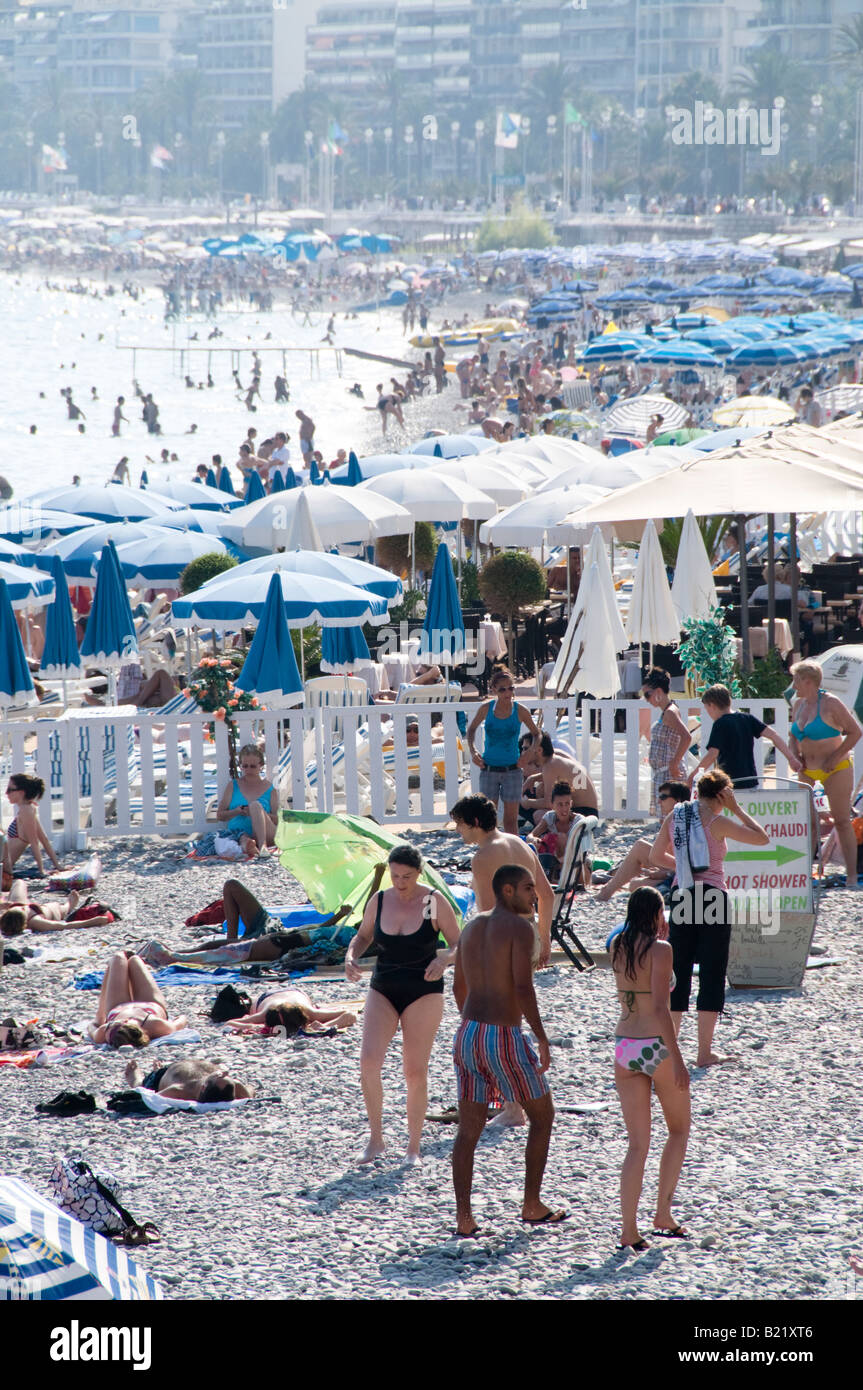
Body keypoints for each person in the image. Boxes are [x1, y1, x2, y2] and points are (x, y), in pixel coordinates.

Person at [451, 864, 566, 1236]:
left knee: (468, 1131)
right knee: (543, 1116)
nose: (535, 894)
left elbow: (458, 988)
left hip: (467, 1032)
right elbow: (522, 988)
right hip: (502, 1035)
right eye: (528, 888)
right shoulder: (518, 928)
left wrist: (476, 1024)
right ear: (507, 891)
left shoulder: (471, 927)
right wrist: (541, 1036)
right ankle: (531, 1204)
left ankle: (464, 1218)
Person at [344, 844, 460, 1165]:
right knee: (368, 1063)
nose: (400, 882)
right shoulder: (380, 900)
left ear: (419, 873)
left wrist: (445, 961)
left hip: (423, 989)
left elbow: (458, 943)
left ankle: (413, 1148)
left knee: (414, 1071)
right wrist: (351, 956)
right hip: (383, 987)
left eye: (407, 876)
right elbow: (363, 936)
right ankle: (376, 1140)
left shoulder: (431, 902)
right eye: (394, 875)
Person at [650, 768, 770, 1066]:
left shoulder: (676, 816)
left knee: (678, 972)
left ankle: (670, 1052)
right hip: (712, 896)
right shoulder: (718, 821)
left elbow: (654, 856)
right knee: (712, 973)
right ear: (721, 795)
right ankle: (704, 1052)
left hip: (683, 894)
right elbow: (762, 838)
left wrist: (682, 867)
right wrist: (737, 808)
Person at [611, 887, 690, 1250]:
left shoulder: (617, 946)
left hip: (625, 1047)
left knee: (636, 1145)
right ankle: (662, 1212)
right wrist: (678, 1057)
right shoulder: (661, 950)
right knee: (678, 1130)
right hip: (656, 1046)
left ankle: (629, 1230)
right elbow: (660, 1008)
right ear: (658, 913)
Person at [789, 659, 862, 888]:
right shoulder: (798, 704)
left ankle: (851, 876)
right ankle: (807, 874)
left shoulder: (831, 703)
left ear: (807, 681)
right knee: (808, 822)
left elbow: (855, 732)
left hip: (835, 768)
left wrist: (835, 755)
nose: (793, 685)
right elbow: (793, 735)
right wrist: (794, 755)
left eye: (796, 680)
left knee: (841, 820)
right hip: (807, 769)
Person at [467, 667, 540, 834]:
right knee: (488, 820)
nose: (507, 692)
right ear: (493, 690)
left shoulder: (520, 710)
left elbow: (537, 734)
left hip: (513, 770)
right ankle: (491, 854)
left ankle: (511, 856)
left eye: (511, 688)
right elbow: (471, 730)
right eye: (502, 689)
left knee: (510, 821)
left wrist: (528, 754)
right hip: (489, 769)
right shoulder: (486, 708)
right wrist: (473, 751)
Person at [689, 683, 801, 790]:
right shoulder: (747, 718)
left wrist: (694, 775)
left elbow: (713, 753)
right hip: (750, 780)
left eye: (707, 709)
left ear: (712, 705)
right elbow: (773, 735)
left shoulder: (720, 723)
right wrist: (791, 758)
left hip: (729, 783)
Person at [593, 781, 690, 900]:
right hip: (676, 870)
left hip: (684, 875)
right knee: (636, 880)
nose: (659, 802)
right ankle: (610, 886)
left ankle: (608, 888)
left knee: (636, 882)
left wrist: (665, 873)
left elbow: (688, 863)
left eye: (663, 797)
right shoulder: (676, 820)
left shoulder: (682, 822)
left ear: (677, 800)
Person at [90, 953, 189, 1047]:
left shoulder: (105, 1031)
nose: (110, 1025)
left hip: (117, 1007)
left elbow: (92, 1028)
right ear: (125, 1022)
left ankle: (100, 1013)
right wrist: (178, 1019)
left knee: (117, 958)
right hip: (150, 1003)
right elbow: (180, 1021)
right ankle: (131, 958)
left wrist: (98, 1020)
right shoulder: (156, 1025)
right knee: (134, 960)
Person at [641, 668, 692, 811]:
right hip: (664, 773)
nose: (646, 699)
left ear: (658, 691)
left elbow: (686, 737)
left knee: (669, 818)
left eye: (647, 694)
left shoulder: (669, 712)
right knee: (667, 818)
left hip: (669, 774)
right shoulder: (668, 711)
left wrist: (674, 764)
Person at [214, 744, 278, 858]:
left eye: (253, 766)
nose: (248, 770)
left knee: (255, 806)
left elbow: (278, 819)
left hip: (267, 834)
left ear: (261, 766)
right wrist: (237, 811)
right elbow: (220, 815)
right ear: (241, 766)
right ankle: (250, 846)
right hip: (240, 834)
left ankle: (262, 846)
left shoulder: (269, 788)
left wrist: (258, 814)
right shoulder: (233, 785)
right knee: (243, 838)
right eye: (245, 766)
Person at [522, 732, 597, 820]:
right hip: (590, 812)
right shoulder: (556, 756)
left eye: (525, 748)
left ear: (539, 750)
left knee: (539, 815)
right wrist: (533, 778)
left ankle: (555, 833)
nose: (523, 752)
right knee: (540, 789)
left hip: (584, 814)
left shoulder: (550, 765)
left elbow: (549, 803)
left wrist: (527, 803)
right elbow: (565, 774)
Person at [224, 986, 357, 1036]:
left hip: (295, 993)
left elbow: (350, 1014)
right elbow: (230, 1023)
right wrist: (251, 1026)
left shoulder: (307, 1011)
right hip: (268, 997)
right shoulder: (265, 1014)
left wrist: (326, 1026)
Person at [2, 774, 62, 878]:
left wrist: (41, 870)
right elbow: (44, 839)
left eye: (9, 790)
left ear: (21, 792)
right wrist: (58, 866)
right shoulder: (28, 809)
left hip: (3, 867)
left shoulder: (26, 811)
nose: (6, 793)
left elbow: (35, 842)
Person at [0, 881, 114, 935]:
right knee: (59, 909)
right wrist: (94, 921)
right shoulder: (36, 922)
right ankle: (69, 905)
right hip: (46, 911)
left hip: (17, 905)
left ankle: (7, 899)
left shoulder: (8, 912)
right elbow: (65, 926)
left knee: (19, 883)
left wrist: (4, 905)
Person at [124, 1057, 252, 1102]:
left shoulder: (179, 1091)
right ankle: (159, 1069)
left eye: (220, 1076)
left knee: (144, 1085)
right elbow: (250, 1092)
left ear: (203, 1087)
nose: (224, 1072)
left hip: (163, 1077)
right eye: (226, 1076)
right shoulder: (235, 1086)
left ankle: (139, 1076)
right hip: (182, 1069)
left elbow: (148, 1098)